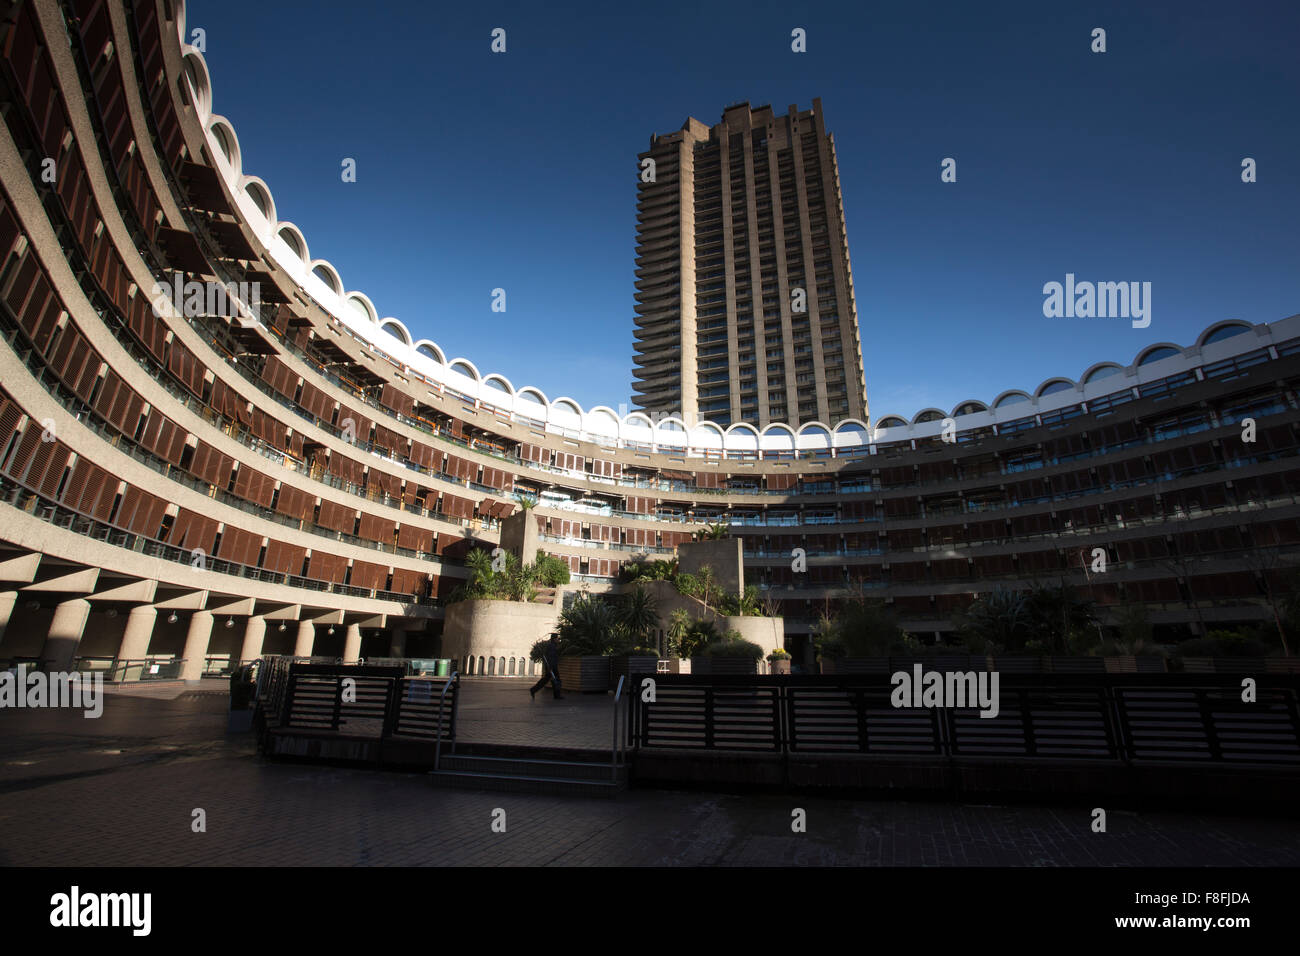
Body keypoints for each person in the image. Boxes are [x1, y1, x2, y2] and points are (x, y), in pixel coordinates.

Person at [530, 635, 564, 700]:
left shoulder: (552, 645)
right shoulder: (552, 646)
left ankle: (533, 690)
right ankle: (557, 695)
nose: (558, 640)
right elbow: (551, 657)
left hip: (551, 666)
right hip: (552, 666)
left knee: (547, 680)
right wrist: (551, 667)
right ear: (554, 639)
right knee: (556, 680)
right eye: (558, 638)